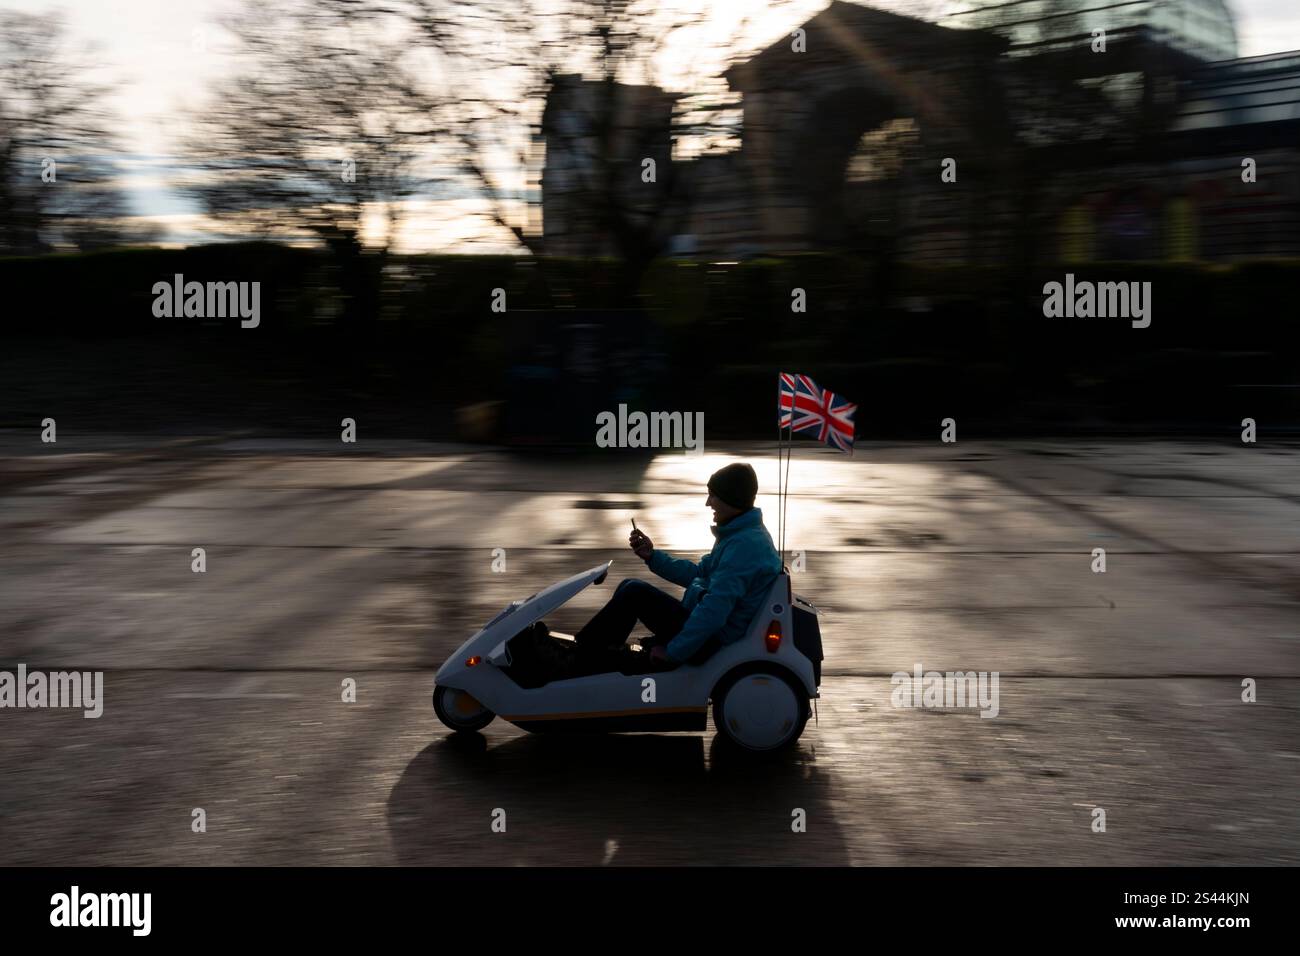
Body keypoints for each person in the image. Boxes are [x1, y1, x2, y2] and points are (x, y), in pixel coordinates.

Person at [572, 462, 783, 673]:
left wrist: (673, 653)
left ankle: (580, 658)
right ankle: (598, 653)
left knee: (633, 592)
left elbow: (715, 611)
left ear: (731, 499)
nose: (708, 503)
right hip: (705, 628)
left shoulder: (744, 546)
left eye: (713, 495)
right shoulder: (740, 534)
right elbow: (699, 574)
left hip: (712, 641)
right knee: (629, 586)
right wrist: (653, 557)